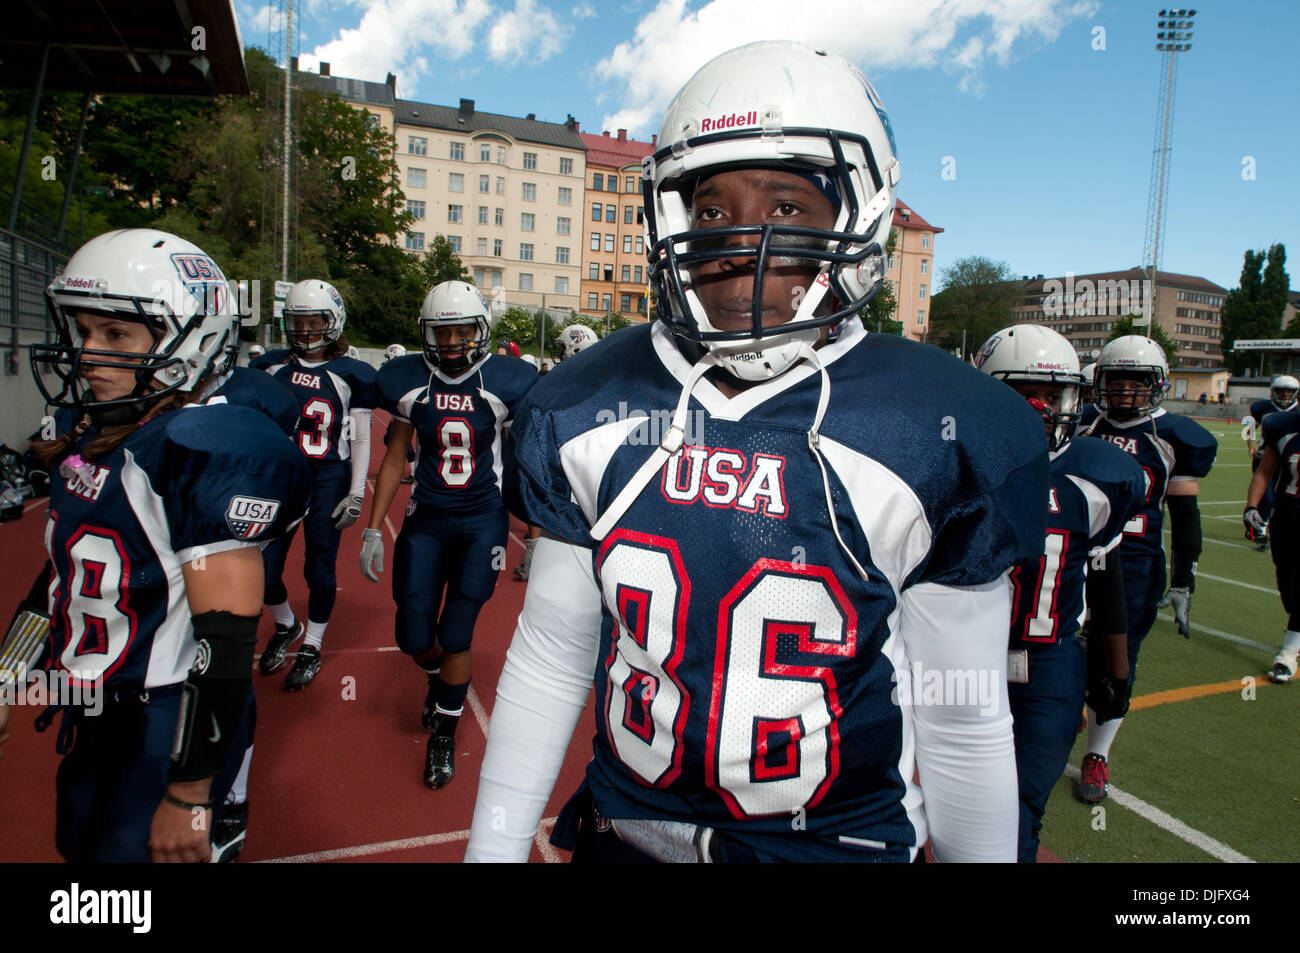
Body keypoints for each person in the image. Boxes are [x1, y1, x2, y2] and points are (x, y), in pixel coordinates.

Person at [465, 41, 1049, 863]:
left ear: (860, 215)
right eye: (711, 210)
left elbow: (960, 719)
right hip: (627, 834)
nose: (741, 237)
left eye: (785, 207)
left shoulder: (936, 425)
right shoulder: (586, 398)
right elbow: (554, 657)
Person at [25, 228, 310, 862]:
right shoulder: (93, 432)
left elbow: (227, 642)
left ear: (193, 339)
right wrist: (9, 674)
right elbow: (61, 575)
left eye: (116, 335)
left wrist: (190, 791)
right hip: (94, 707)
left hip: (164, 722)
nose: (89, 354)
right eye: (84, 331)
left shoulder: (205, 445)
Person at [976, 325, 1144, 862]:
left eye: (1056, 395)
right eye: (1028, 393)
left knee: (1021, 805)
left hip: (1046, 665)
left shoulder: (1097, 476)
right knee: (936, 794)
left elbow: (1106, 578)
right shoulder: (952, 461)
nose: (1044, 408)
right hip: (957, 662)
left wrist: (1113, 671)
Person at [361, 281, 536, 788]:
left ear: (481, 332)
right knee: (414, 635)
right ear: (426, 333)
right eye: (443, 332)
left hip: (482, 520)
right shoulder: (407, 381)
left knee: (457, 632)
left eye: (463, 331)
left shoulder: (506, 381)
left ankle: (445, 726)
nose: (453, 342)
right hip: (427, 519)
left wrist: (541, 532)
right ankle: (442, 681)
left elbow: (529, 455)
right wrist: (374, 528)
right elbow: (396, 454)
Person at [1074, 335, 1216, 802]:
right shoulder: (1083, 424)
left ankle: (1097, 754)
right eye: (1117, 383)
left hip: (1133, 563)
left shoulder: (1170, 435)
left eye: (1137, 384)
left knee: (1117, 662)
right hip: (1076, 553)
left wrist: (1183, 578)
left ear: (1156, 386)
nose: (1126, 394)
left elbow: (1185, 516)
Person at [251, 280, 376, 691]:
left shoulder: (350, 374)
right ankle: (287, 624)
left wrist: (357, 492)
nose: (304, 331)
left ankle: (313, 645)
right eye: (297, 322)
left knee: (319, 567)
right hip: (280, 476)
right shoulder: (270, 366)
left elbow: (359, 437)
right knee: (262, 570)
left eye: (313, 321)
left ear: (333, 322)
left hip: (327, 475)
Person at [514, 325, 604, 582]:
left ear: (575, 347)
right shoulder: (604, 385)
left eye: (563, 348)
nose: (559, 355)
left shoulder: (563, 390)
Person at [1245, 403, 1300, 681]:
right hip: (1288, 519)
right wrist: (1251, 507)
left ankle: (1288, 654)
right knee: (1288, 585)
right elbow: (1264, 472)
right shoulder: (1283, 427)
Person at [1245, 375, 1299, 552]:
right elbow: (1249, 425)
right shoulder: (1263, 408)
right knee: (1266, 496)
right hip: (1266, 455)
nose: (1285, 394)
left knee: (1280, 496)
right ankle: (1260, 532)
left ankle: (1262, 525)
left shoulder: (1296, 409)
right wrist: (1250, 444)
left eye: (1289, 391)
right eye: (1281, 390)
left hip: (1288, 459)